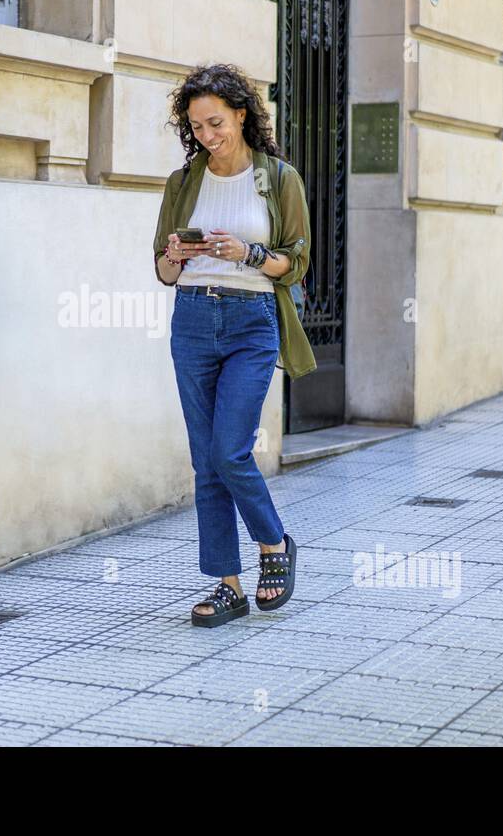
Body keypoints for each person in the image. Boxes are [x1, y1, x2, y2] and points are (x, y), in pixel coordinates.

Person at [152, 62, 316, 627]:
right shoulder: (184, 183)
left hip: (251, 321)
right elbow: (163, 269)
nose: (208, 136)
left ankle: (274, 543)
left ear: (242, 115)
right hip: (193, 319)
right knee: (205, 462)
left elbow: (294, 264)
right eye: (197, 127)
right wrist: (175, 258)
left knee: (230, 450)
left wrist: (243, 253)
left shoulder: (278, 178)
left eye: (216, 123)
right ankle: (227, 585)